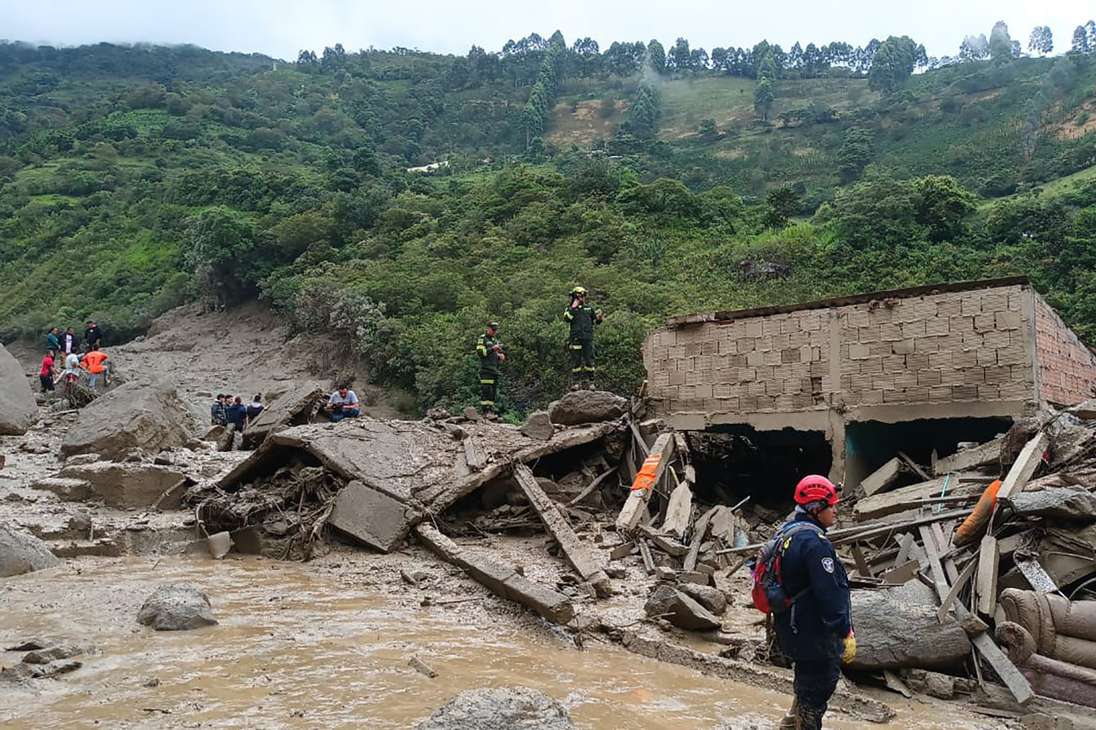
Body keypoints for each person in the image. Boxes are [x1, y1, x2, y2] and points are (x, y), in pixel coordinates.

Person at [773, 475, 854, 730]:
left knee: (805, 687)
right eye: (831, 505)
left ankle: (789, 724)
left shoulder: (787, 533)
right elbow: (829, 593)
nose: (836, 510)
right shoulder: (814, 544)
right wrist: (844, 631)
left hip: (793, 629)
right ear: (816, 509)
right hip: (813, 634)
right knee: (815, 694)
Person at [562, 286, 603, 390]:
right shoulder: (569, 309)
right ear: (576, 297)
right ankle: (576, 383)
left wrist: (599, 318)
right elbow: (567, 319)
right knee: (577, 361)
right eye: (582, 296)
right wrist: (573, 307)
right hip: (576, 338)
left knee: (589, 360)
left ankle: (591, 382)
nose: (584, 298)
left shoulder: (589, 308)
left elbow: (596, 321)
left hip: (587, 338)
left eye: (584, 296)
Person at [475, 321, 505, 417]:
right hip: (486, 369)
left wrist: (500, 356)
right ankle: (485, 410)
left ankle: (491, 410)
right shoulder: (482, 339)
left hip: (494, 369)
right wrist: (493, 348)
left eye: (496, 330)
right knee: (486, 389)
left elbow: (495, 354)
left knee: (493, 390)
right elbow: (481, 353)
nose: (494, 332)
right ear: (488, 328)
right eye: (493, 330)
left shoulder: (495, 340)